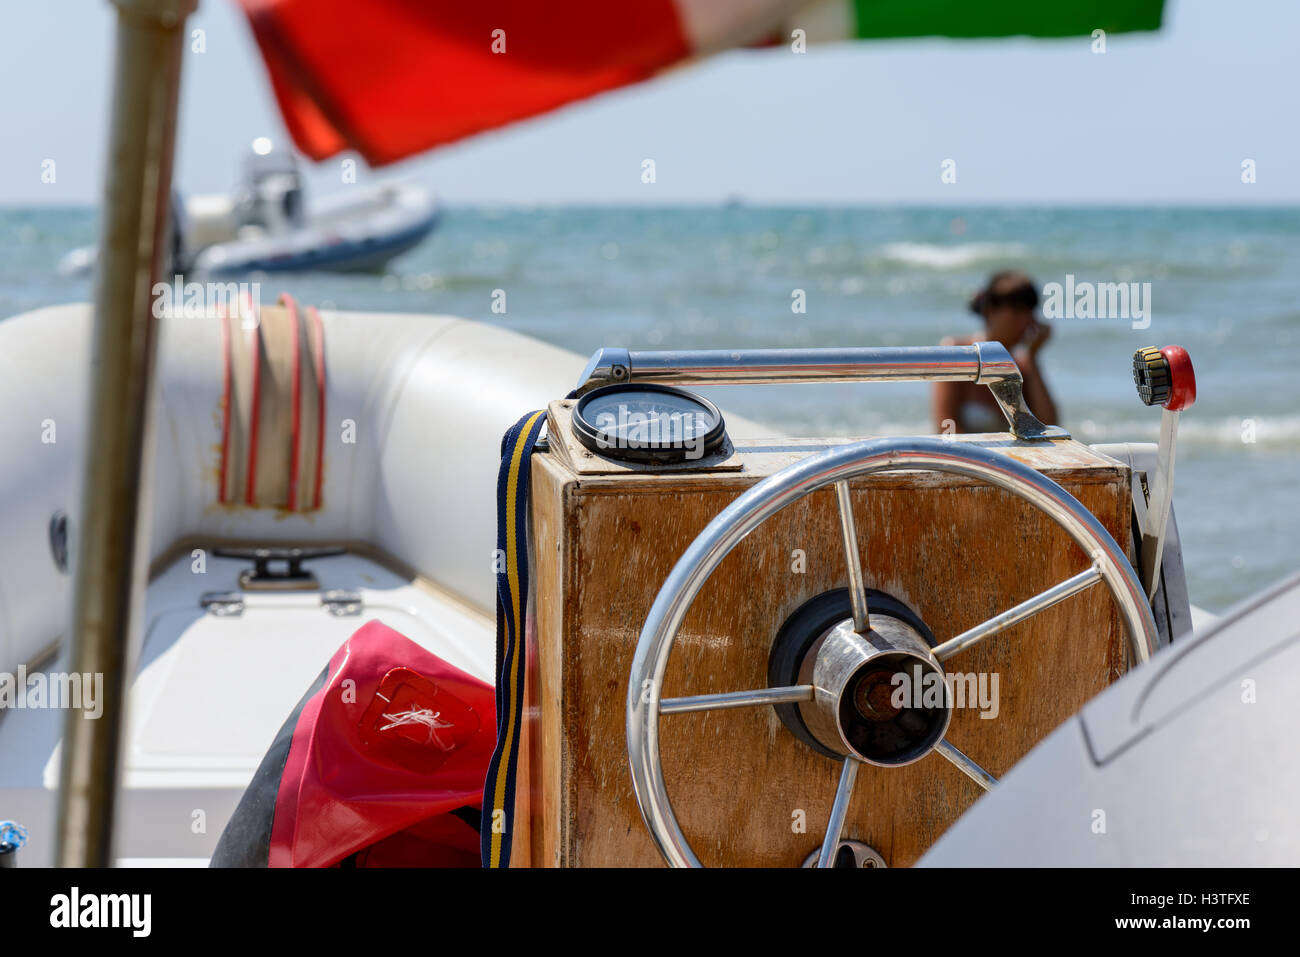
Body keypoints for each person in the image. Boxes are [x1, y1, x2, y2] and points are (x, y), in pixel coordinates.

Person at [932, 271, 1058, 434]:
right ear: (990, 311)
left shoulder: (1022, 366)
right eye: (1017, 311)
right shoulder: (957, 354)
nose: (1026, 321)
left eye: (1030, 312)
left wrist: (1033, 357)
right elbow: (945, 429)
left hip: (1012, 459)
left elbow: (1048, 428)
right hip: (965, 457)